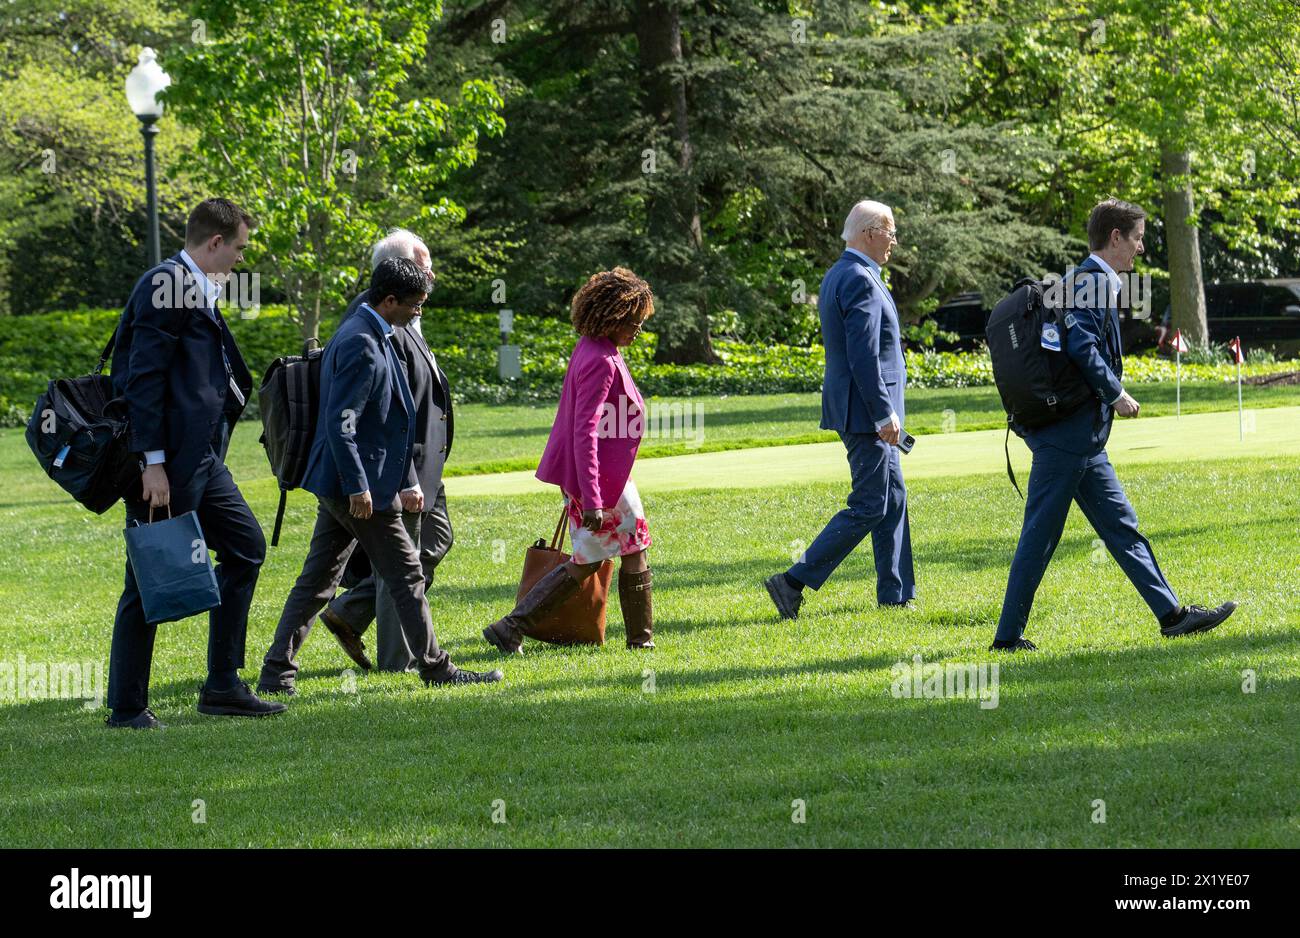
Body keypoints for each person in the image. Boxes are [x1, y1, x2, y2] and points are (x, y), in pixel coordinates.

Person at [991, 197, 1237, 652]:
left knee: (1122, 527)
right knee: (1040, 536)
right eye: (1138, 238)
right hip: (1067, 438)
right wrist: (1116, 392)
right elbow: (1081, 344)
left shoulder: (1086, 281)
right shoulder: (1090, 282)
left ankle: (1172, 616)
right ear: (1116, 237)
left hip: (1081, 439)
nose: (1141, 249)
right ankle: (1006, 638)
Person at [257, 258, 501, 690]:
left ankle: (277, 671)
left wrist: (407, 479)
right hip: (358, 486)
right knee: (407, 573)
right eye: (415, 304)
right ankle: (438, 669)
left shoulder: (378, 332)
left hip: (352, 481)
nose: (418, 312)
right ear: (389, 300)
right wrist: (357, 485)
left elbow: (391, 420)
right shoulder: (360, 342)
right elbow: (342, 420)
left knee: (319, 580)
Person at [106, 197, 284, 729]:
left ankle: (223, 685)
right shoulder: (167, 287)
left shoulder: (194, 288)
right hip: (168, 462)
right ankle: (128, 708)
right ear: (214, 244)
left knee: (246, 548)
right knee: (147, 573)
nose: (239, 262)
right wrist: (151, 462)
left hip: (202, 458)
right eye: (238, 251)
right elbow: (142, 380)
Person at [482, 267, 656, 653]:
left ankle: (640, 641)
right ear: (611, 316)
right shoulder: (600, 359)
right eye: (633, 321)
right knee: (591, 558)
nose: (638, 329)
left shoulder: (596, 348)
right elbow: (585, 431)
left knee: (630, 547)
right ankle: (511, 626)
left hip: (609, 477)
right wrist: (593, 497)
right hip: (597, 481)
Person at [764, 199, 914, 620]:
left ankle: (897, 593)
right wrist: (884, 414)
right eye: (890, 231)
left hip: (864, 409)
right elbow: (863, 354)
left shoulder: (844, 274)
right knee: (870, 504)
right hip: (866, 413)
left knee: (894, 498)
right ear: (869, 232)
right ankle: (792, 581)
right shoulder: (859, 278)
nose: (894, 241)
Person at [314, 229, 455, 674]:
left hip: (417, 464)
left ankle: (349, 616)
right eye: (424, 263)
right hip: (400, 467)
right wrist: (406, 477)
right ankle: (403, 660)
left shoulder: (402, 313)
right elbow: (378, 410)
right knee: (404, 562)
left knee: (416, 552)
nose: (431, 274)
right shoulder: (377, 321)